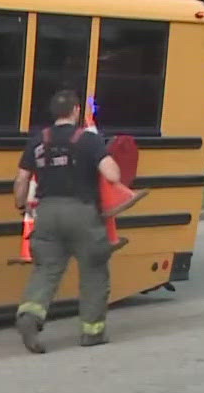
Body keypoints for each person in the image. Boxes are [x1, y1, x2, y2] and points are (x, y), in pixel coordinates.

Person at [12, 90, 132, 353]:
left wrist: (21, 204)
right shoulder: (88, 140)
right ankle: (92, 332)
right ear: (77, 111)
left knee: (46, 269)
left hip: (47, 213)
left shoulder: (37, 141)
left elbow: (21, 180)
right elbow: (111, 174)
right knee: (94, 271)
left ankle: (30, 316)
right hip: (82, 214)